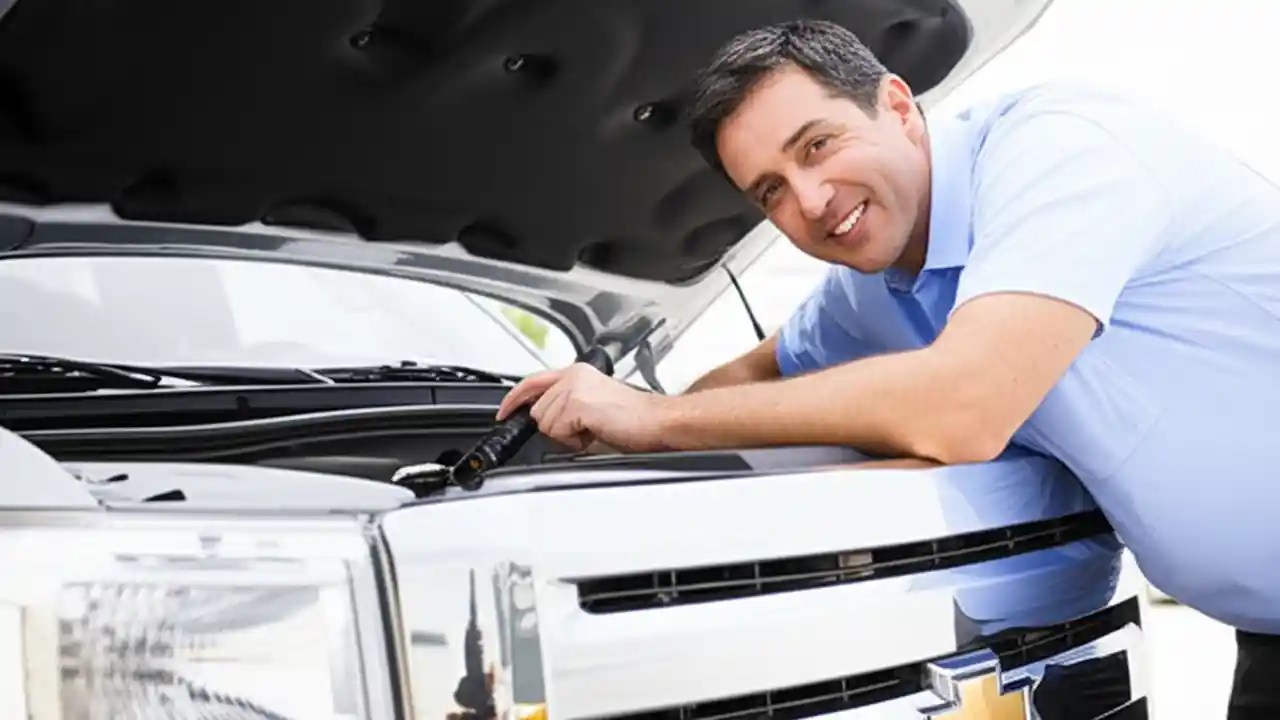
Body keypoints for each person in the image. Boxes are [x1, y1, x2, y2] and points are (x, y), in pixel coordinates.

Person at [496, 19, 1280, 717]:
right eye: (770, 190)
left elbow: (965, 407)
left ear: (900, 107)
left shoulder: (1063, 147)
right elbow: (755, 380)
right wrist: (593, 430)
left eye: (817, 145)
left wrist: (652, 418)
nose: (807, 198)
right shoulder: (870, 290)